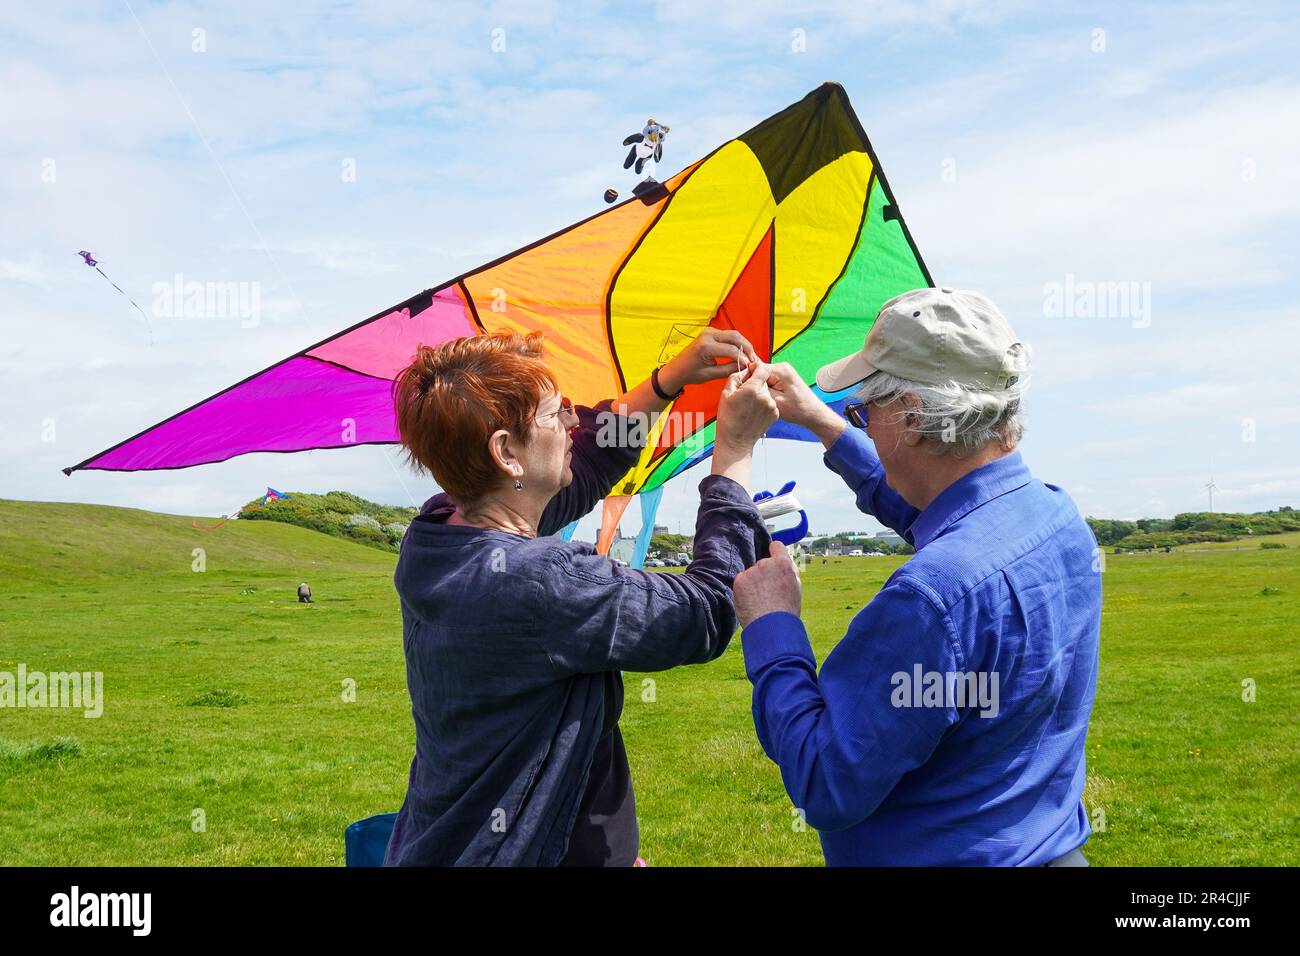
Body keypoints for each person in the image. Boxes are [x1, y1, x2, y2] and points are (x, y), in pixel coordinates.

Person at [734, 288, 1101, 866]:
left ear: (912, 415)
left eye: (865, 412)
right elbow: (941, 513)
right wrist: (827, 424)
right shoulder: (1056, 518)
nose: (866, 425)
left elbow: (826, 782)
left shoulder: (930, 600)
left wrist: (772, 626)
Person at [383, 327, 776, 866]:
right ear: (506, 453)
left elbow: (586, 464)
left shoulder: (435, 536)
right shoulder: (540, 581)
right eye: (555, 413)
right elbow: (704, 612)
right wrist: (734, 451)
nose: (573, 421)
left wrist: (669, 380)